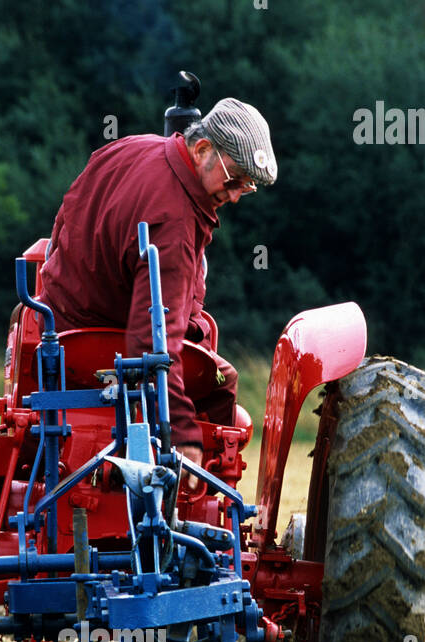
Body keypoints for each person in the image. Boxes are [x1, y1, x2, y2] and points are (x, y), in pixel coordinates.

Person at [41, 97, 278, 465]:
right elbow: (151, 342)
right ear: (202, 149)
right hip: (116, 346)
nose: (234, 197)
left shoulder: (129, 147)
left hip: (58, 329)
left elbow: (62, 224)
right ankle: (197, 493)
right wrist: (183, 431)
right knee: (222, 382)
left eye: (246, 187)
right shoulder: (174, 224)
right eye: (233, 180)